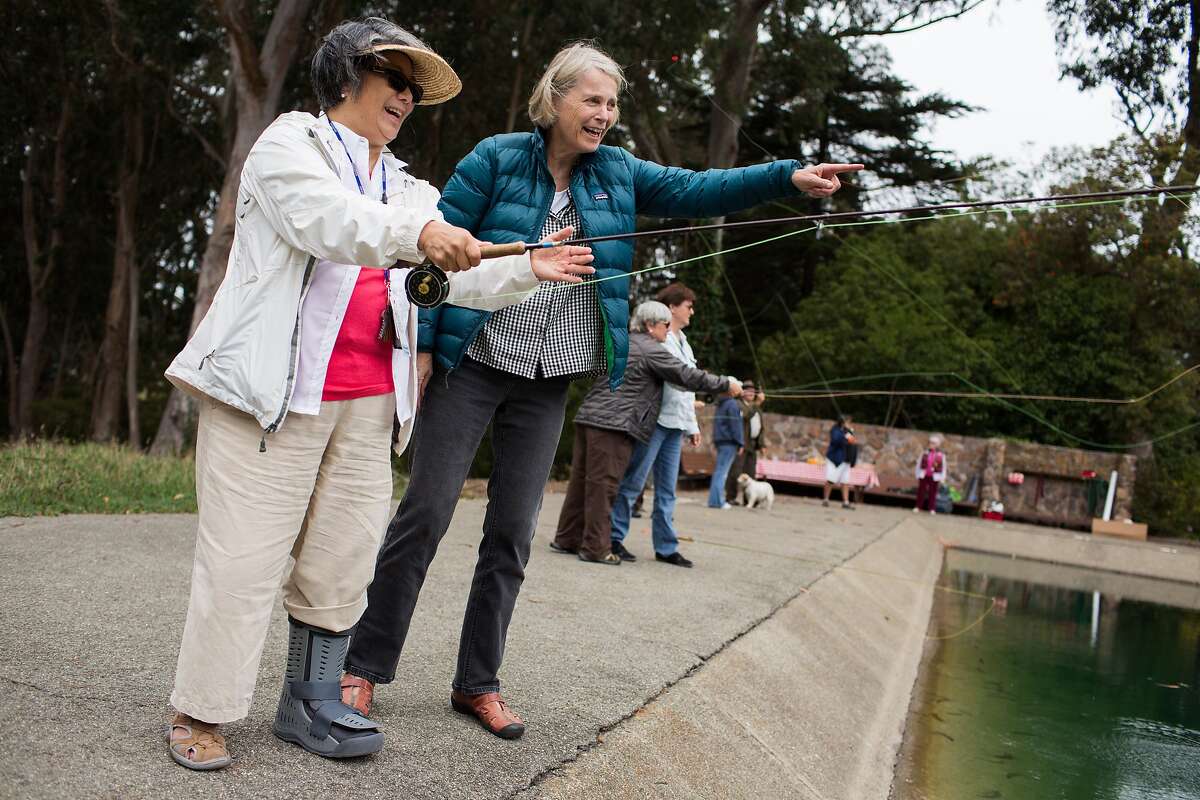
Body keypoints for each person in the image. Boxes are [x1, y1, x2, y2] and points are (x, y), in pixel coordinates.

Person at [342, 41, 861, 739]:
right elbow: (433, 256)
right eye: (591, 99)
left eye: (611, 104)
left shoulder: (618, 172)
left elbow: (698, 188)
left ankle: (477, 683)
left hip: (550, 379)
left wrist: (786, 177)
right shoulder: (494, 158)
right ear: (553, 99)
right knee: (426, 515)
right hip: (476, 360)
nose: (604, 115)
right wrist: (430, 349)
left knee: (513, 533)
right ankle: (364, 667)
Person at [161, 18, 594, 771]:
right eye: (393, 78)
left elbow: (455, 271)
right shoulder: (289, 145)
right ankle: (201, 708)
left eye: (413, 88)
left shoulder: (405, 183)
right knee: (242, 563)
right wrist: (423, 231)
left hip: (367, 403)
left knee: (341, 561)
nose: (405, 96)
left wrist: (527, 268)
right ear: (346, 77)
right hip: (270, 400)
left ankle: (312, 700)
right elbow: (331, 223)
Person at [552, 301, 736, 566]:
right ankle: (596, 548)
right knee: (604, 487)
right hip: (613, 425)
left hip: (589, 417)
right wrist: (726, 384)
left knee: (582, 484)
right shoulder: (651, 348)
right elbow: (685, 375)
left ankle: (567, 539)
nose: (667, 331)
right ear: (651, 325)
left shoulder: (624, 342)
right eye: (664, 326)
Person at [610, 283, 708, 564]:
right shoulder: (659, 339)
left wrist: (692, 426)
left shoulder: (684, 341)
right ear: (673, 307)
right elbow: (677, 377)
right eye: (688, 306)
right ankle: (614, 538)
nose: (692, 311)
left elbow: (686, 387)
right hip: (654, 422)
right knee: (634, 483)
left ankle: (666, 546)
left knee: (667, 491)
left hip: (676, 424)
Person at [725, 381, 768, 504]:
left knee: (750, 473)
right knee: (736, 471)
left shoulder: (756, 407)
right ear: (742, 392)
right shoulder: (738, 405)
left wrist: (762, 444)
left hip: (753, 444)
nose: (751, 392)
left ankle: (749, 500)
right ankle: (731, 497)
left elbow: (761, 427)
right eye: (747, 389)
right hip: (742, 443)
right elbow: (746, 416)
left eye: (753, 390)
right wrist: (757, 403)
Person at [708, 389, 744, 509]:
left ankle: (714, 500)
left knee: (719, 471)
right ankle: (718, 501)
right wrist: (740, 442)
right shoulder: (732, 404)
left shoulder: (720, 403)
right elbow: (736, 425)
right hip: (729, 442)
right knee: (722, 473)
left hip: (720, 441)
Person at [822, 415, 856, 509]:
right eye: (848, 422)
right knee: (830, 479)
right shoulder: (835, 430)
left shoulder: (847, 431)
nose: (850, 424)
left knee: (845, 481)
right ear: (843, 422)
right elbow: (836, 440)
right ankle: (826, 499)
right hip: (835, 458)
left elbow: (852, 442)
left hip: (846, 459)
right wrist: (844, 435)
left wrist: (849, 432)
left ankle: (846, 502)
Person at [914, 434, 948, 514]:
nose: (931, 445)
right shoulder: (924, 453)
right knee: (921, 491)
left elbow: (944, 467)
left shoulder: (941, 455)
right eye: (930, 443)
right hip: (924, 475)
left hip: (934, 476)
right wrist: (917, 474)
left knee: (933, 492)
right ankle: (918, 506)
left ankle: (932, 508)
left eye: (933, 443)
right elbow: (919, 464)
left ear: (937, 445)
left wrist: (942, 478)